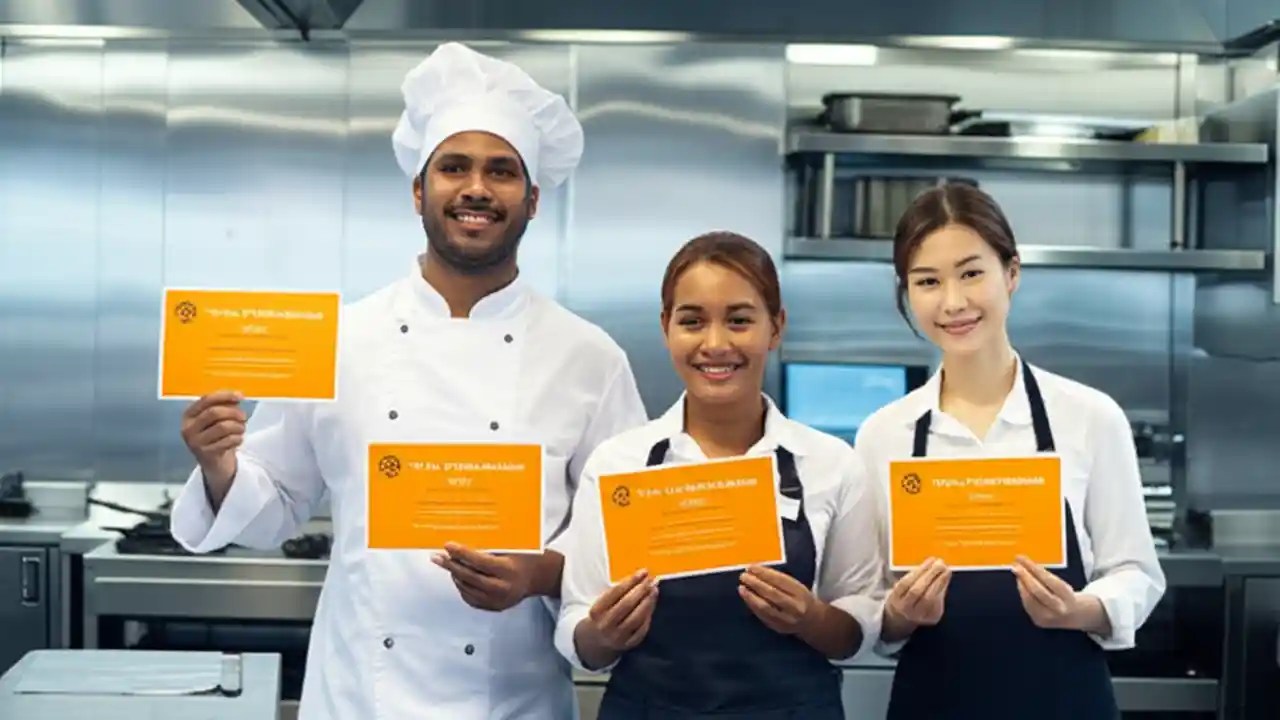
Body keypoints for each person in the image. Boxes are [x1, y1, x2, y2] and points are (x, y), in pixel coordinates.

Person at [168, 42, 648, 720]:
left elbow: (622, 533)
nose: (476, 188)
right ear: (420, 189)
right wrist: (219, 464)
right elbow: (275, 503)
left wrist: (538, 573)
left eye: (501, 171)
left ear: (533, 199)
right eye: (454, 167)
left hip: (513, 702)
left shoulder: (589, 357)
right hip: (361, 698)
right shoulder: (340, 341)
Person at [854, 182, 1167, 719]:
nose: (952, 302)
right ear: (906, 292)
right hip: (934, 700)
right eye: (927, 281)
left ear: (1012, 273)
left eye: (972, 273)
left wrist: (1078, 609)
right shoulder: (885, 434)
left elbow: (1137, 572)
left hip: (1065, 699)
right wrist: (900, 614)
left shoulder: (1089, 417)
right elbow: (870, 600)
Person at [555, 231, 885, 719]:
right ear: (666, 327)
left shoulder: (831, 463)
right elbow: (574, 623)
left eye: (739, 320)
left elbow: (861, 623)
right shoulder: (616, 465)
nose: (715, 344)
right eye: (692, 321)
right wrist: (601, 635)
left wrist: (812, 620)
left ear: (776, 327)